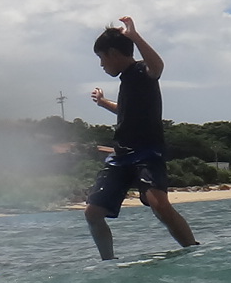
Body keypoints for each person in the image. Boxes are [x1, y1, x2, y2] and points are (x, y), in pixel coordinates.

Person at [85, 16, 198, 259]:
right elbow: (126, 111)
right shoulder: (127, 80)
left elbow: (157, 67)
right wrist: (105, 104)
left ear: (114, 53)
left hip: (147, 153)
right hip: (121, 155)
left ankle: (193, 250)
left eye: (102, 58)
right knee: (93, 212)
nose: (102, 65)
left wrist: (134, 36)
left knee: (159, 204)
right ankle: (108, 262)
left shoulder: (140, 71)